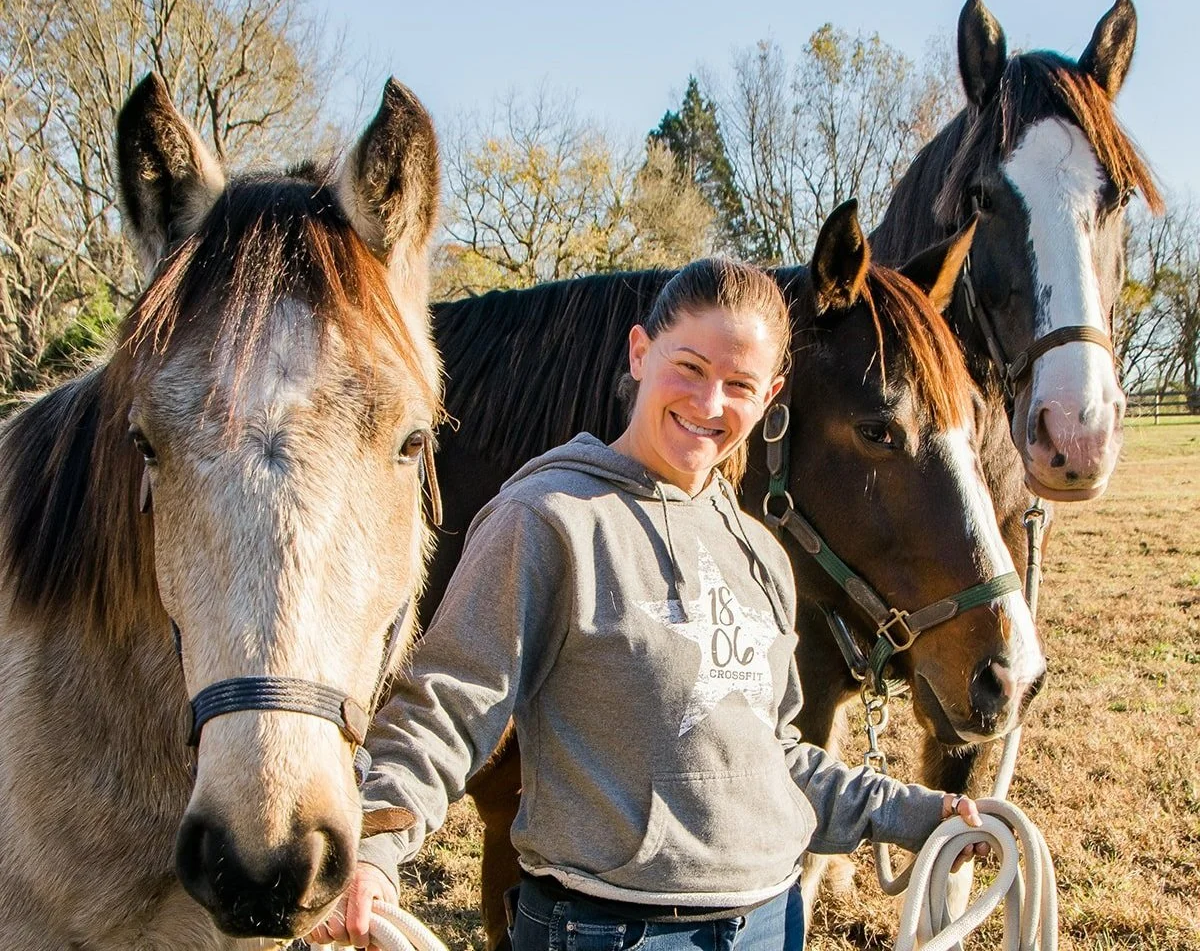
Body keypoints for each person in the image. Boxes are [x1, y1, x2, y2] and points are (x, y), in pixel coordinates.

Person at [307, 258, 987, 951]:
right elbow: (449, 702)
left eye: (739, 385)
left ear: (771, 396)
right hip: (609, 929)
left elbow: (773, 759)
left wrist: (914, 813)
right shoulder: (548, 519)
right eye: (689, 367)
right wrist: (377, 849)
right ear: (639, 352)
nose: (709, 403)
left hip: (769, 924)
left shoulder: (760, 554)